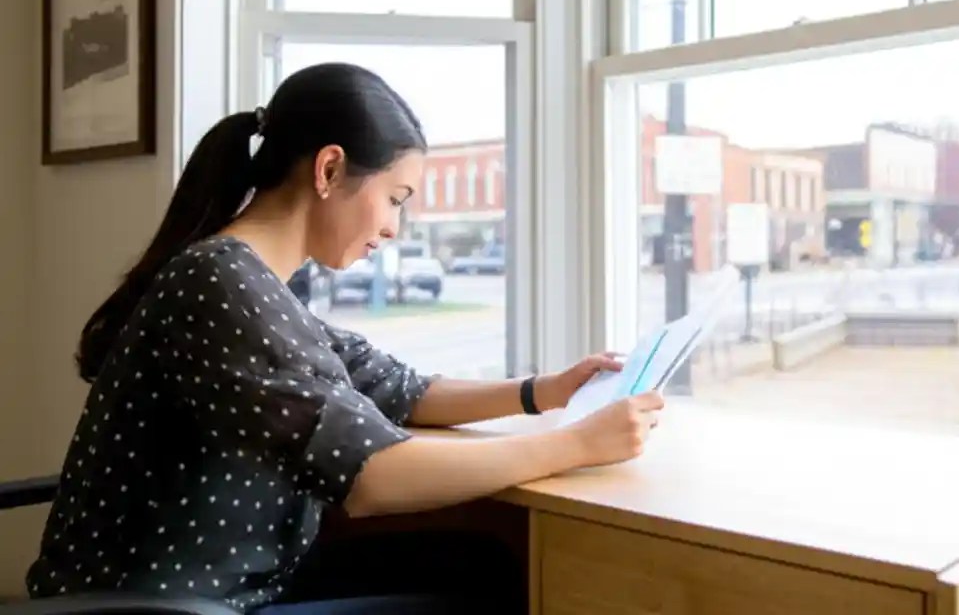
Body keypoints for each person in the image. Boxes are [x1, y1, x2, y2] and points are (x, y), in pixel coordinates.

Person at [26, 63, 665, 614]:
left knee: (475, 563)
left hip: (234, 586)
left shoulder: (257, 284)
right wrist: (578, 444)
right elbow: (373, 477)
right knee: (483, 594)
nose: (395, 228)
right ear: (329, 169)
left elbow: (396, 388)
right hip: (166, 608)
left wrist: (539, 392)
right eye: (395, 198)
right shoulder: (220, 282)